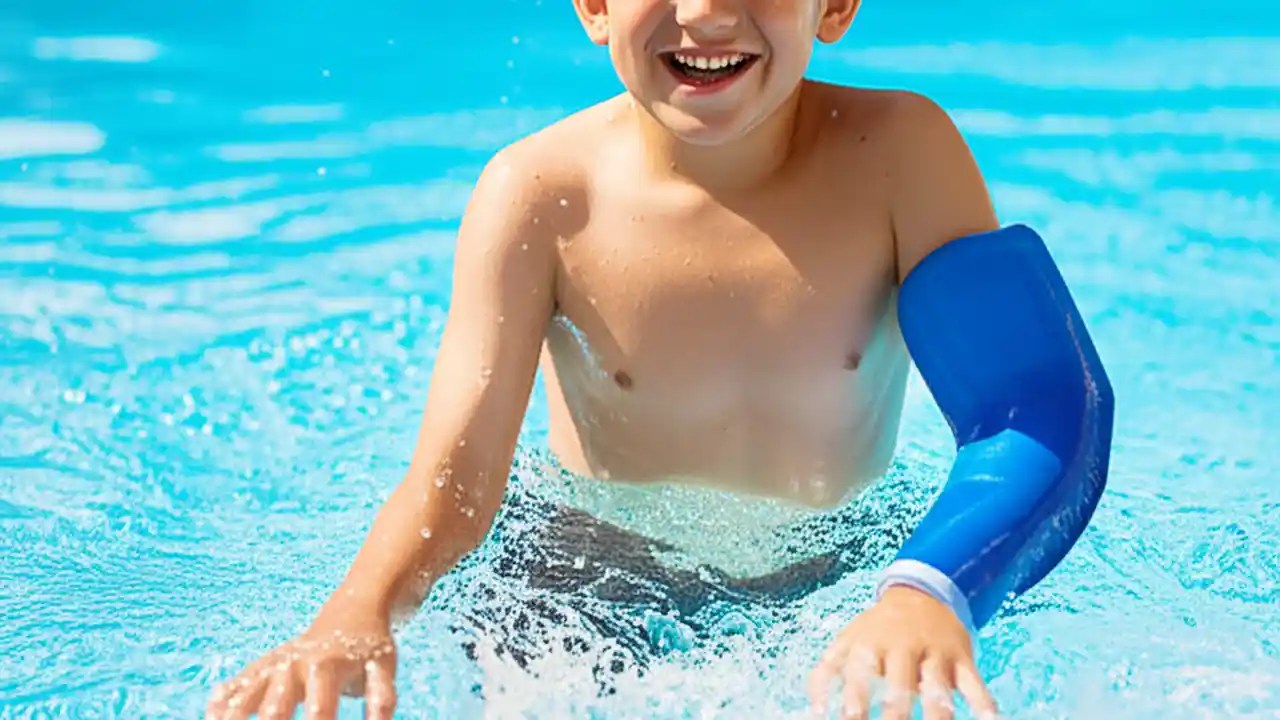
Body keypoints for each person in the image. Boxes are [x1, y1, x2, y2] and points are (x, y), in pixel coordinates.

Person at [205, 0, 1115, 718]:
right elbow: (454, 480)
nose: (706, 13)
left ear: (834, 5)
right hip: (588, 573)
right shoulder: (541, 197)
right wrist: (358, 611)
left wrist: (930, 588)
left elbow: (1032, 404)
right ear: (593, 5)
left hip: (833, 568)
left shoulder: (902, 158)